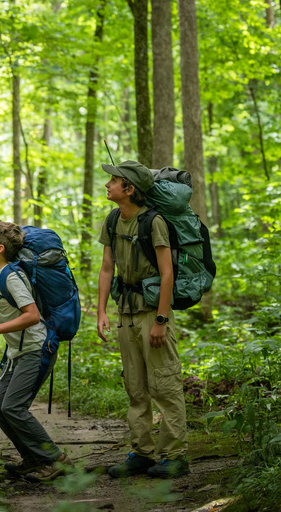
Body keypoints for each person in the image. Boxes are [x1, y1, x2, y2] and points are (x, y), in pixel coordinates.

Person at [0, 220, 73, 482]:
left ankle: (57, 459)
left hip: (35, 349)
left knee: (14, 408)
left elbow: (31, 315)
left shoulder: (13, 276)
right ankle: (32, 457)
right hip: (17, 352)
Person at [96, 160, 190, 479]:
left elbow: (167, 273)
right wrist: (100, 312)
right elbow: (107, 268)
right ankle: (141, 452)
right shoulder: (112, 220)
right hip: (125, 312)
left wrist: (162, 320)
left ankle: (175, 455)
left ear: (130, 189)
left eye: (114, 181)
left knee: (163, 383)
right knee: (135, 386)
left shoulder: (154, 222)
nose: (107, 185)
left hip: (152, 312)